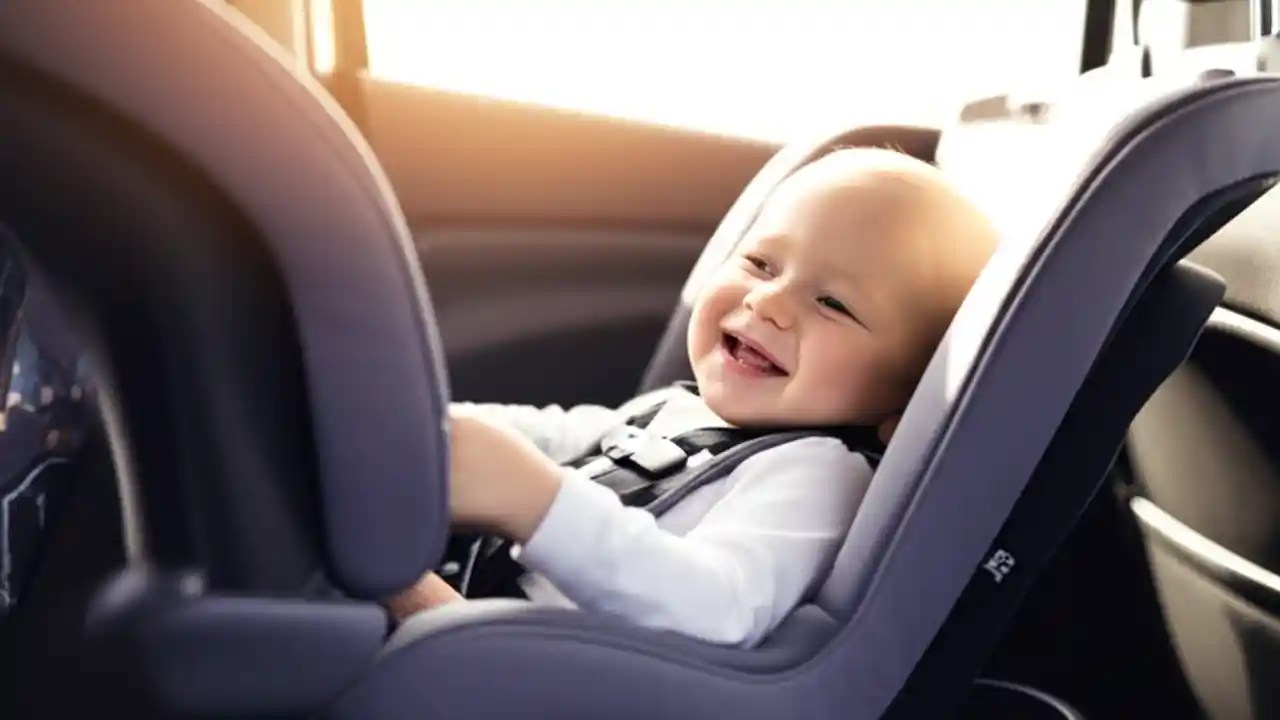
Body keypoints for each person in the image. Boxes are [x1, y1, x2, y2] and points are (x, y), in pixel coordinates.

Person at [385, 148, 998, 648]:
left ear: (906, 401)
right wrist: (421, 422)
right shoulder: (678, 410)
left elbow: (718, 611)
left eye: (833, 303)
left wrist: (538, 504)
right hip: (479, 631)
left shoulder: (817, 472)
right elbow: (554, 435)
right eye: (761, 263)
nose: (769, 301)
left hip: (540, 683)